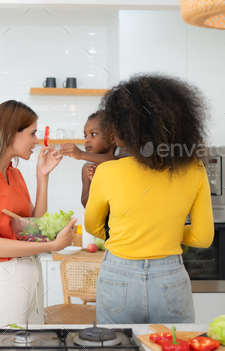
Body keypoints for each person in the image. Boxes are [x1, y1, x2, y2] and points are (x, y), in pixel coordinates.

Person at [84, 73, 214, 324]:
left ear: (127, 126)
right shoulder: (194, 169)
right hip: (169, 279)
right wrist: (165, 232)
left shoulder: (107, 171)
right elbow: (202, 237)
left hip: (117, 275)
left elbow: (93, 226)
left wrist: (132, 233)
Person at [0, 100, 78, 325]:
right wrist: (52, 246)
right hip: (1, 277)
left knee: (34, 343)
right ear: (11, 133)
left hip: (31, 272)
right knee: (3, 343)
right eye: (32, 133)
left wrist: (42, 176)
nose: (36, 141)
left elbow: (32, 227)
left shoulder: (14, 174)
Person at [59, 111, 131, 208]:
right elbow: (85, 203)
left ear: (112, 138)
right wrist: (95, 182)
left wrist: (81, 154)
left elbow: (116, 161)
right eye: (85, 136)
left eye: (93, 134)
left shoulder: (122, 154)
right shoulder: (87, 167)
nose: (87, 140)